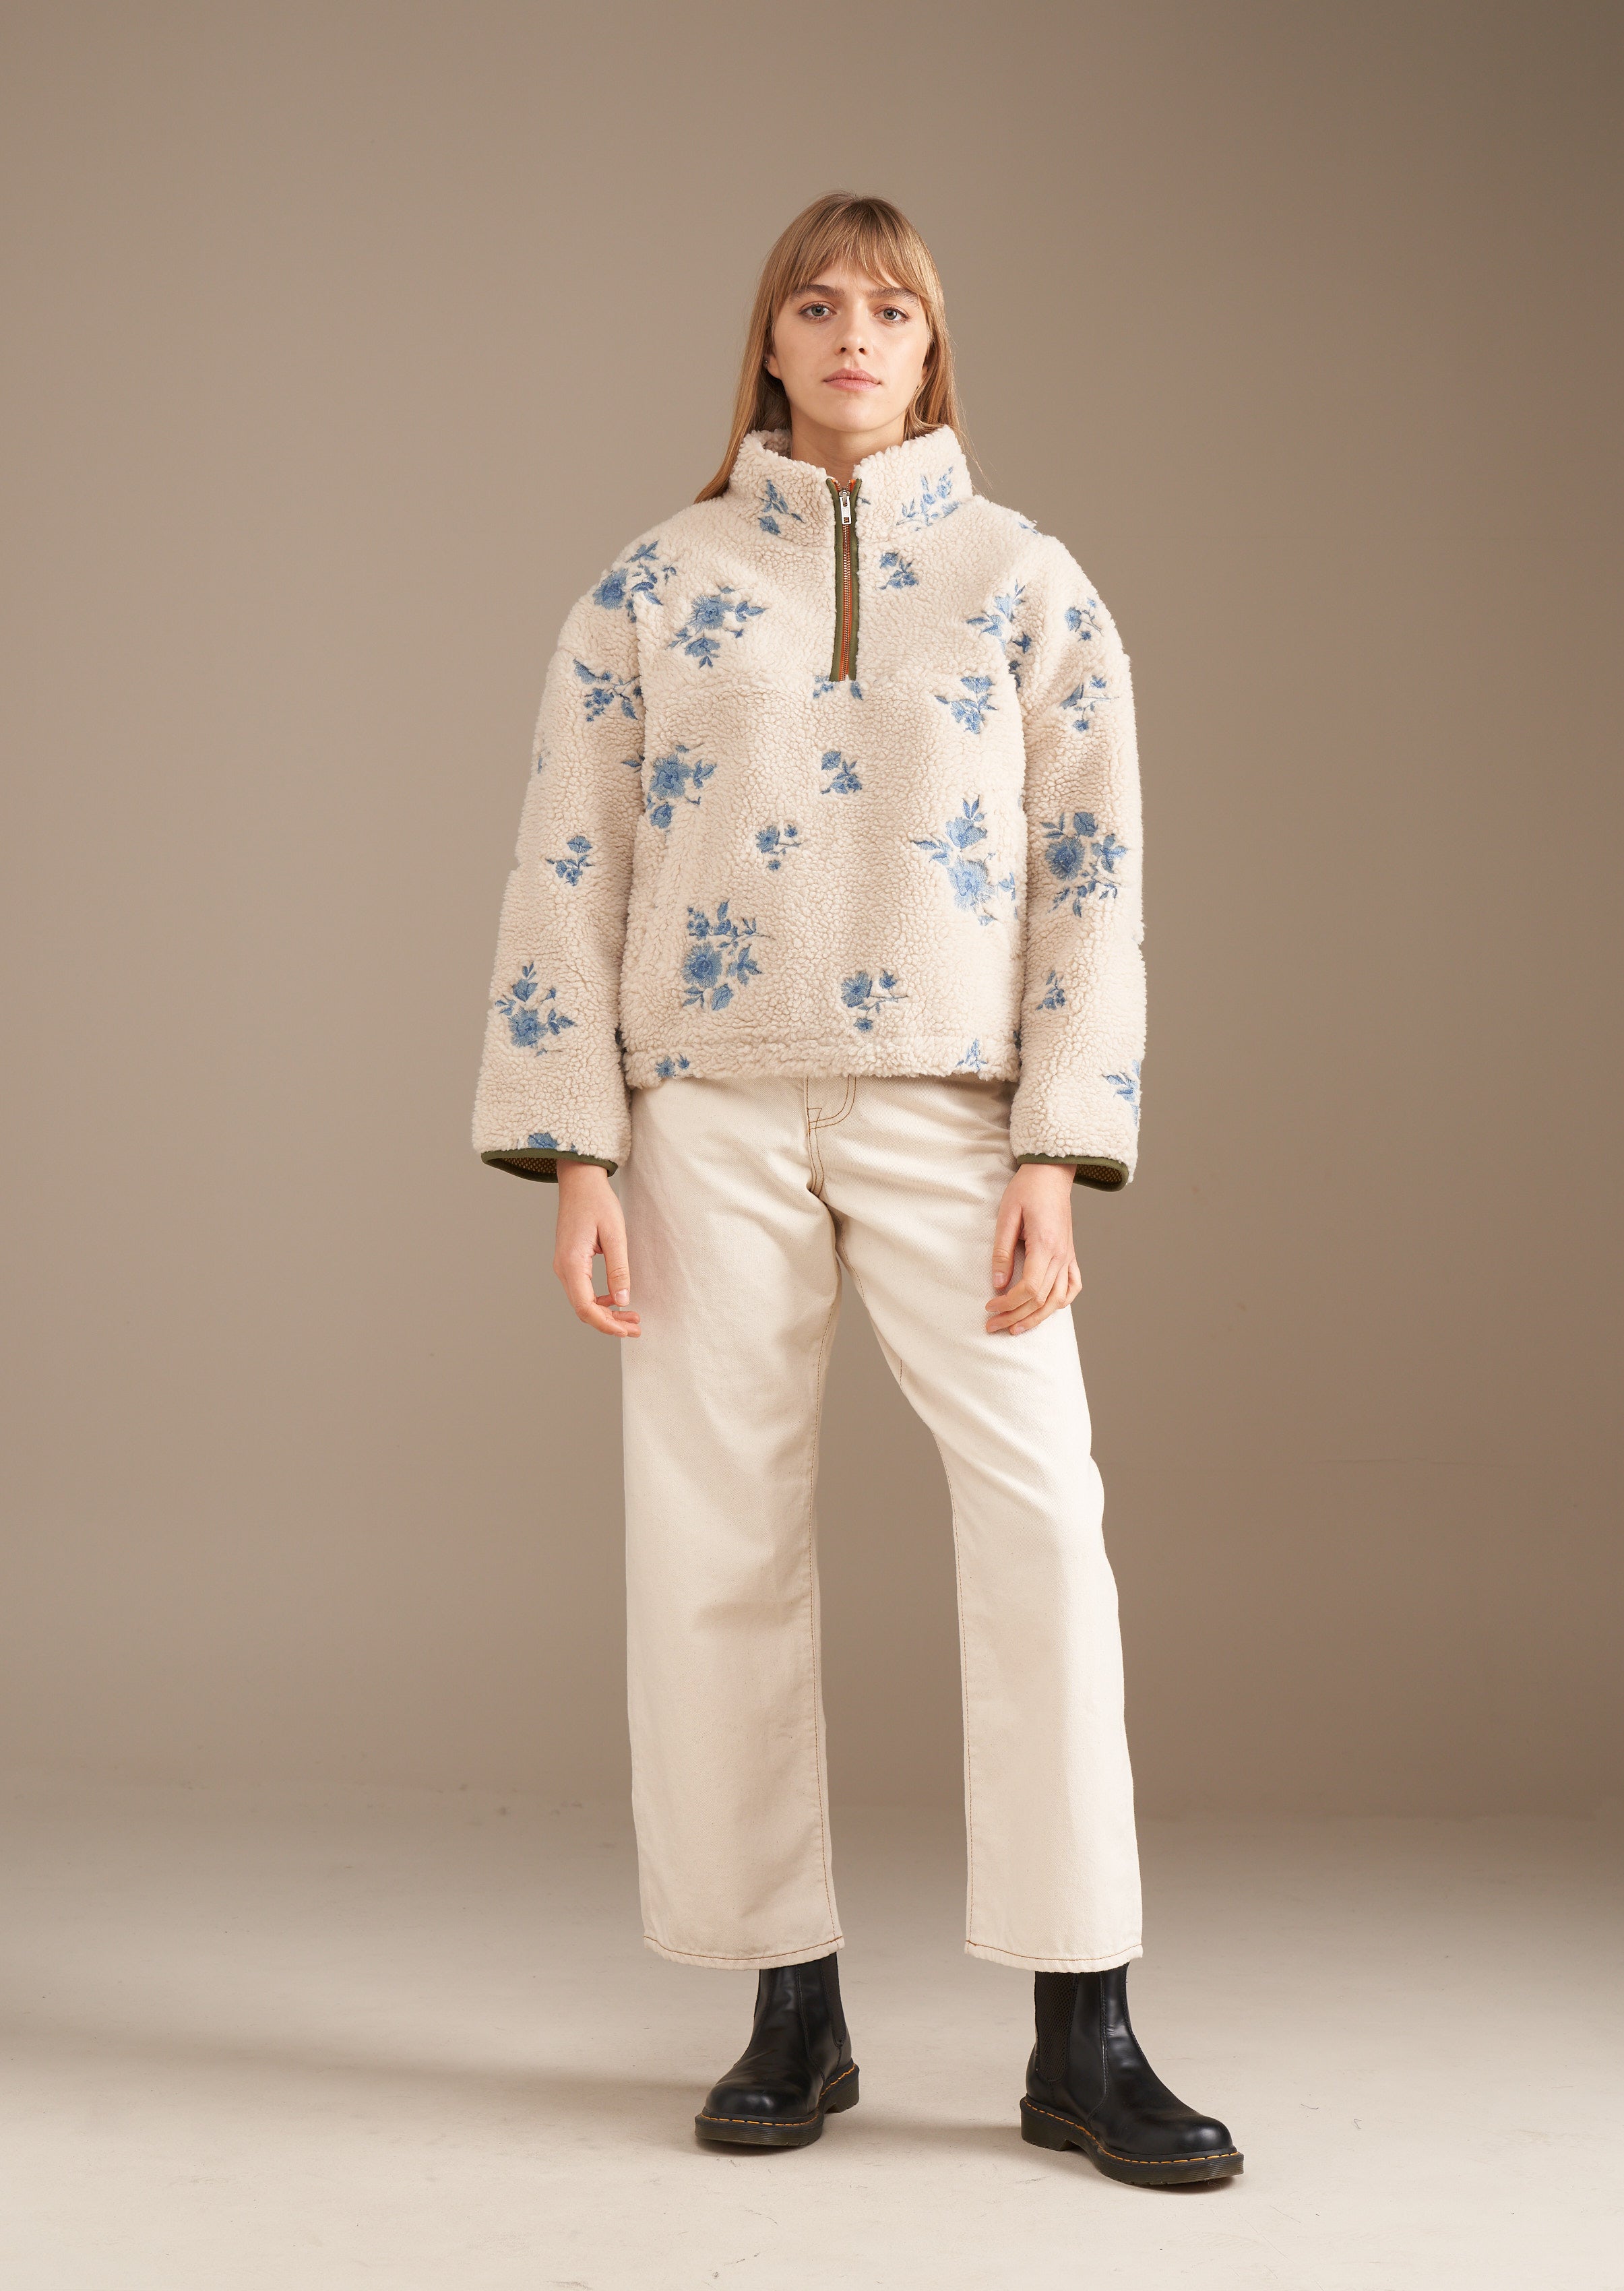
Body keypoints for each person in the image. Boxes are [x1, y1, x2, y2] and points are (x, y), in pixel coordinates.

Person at [472, 191, 1240, 2189]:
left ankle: (1087, 2027)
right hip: (704, 1108)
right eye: (815, 304)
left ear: (929, 345)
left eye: (888, 309)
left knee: (1045, 1522)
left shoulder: (1025, 582)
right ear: (769, 339)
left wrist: (1056, 1148)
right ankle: (786, 2011)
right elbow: (569, 861)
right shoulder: (652, 587)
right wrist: (577, 1148)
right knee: (713, 1540)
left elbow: (1096, 882)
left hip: (950, 1109)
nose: (850, 336)